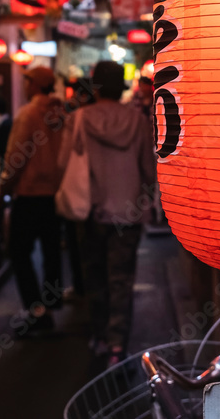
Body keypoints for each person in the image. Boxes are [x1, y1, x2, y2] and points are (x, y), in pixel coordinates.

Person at [60, 60, 155, 365]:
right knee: (121, 281)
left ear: (95, 87)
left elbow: (63, 164)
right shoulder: (138, 121)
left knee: (94, 277)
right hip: (126, 215)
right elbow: (149, 170)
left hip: (90, 211)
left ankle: (99, 337)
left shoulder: (78, 120)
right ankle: (117, 345)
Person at [0, 67, 65, 334]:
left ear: (35, 85)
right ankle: (49, 306)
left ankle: (35, 310)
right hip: (54, 194)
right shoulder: (61, 116)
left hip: (28, 194)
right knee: (51, 252)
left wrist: (3, 187)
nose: (24, 85)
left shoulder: (28, 115)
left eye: (27, 81)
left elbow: (16, 157)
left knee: (19, 252)